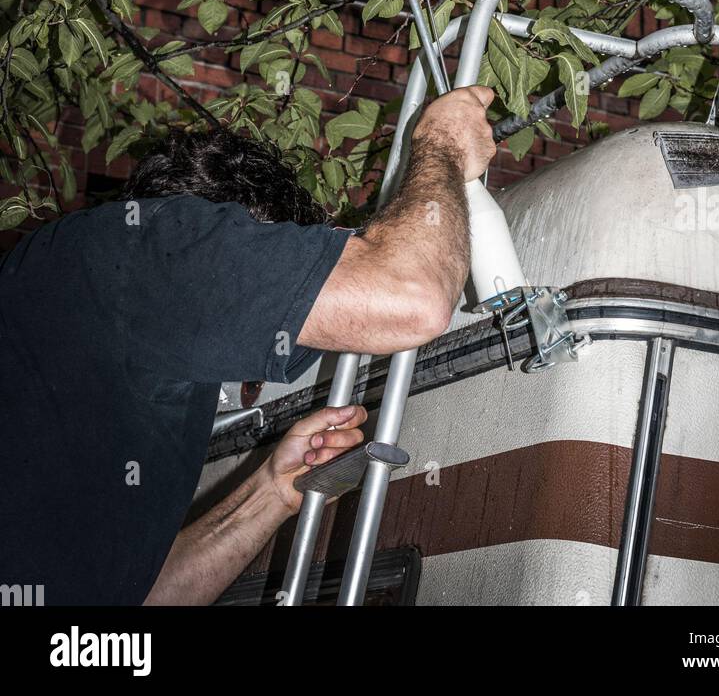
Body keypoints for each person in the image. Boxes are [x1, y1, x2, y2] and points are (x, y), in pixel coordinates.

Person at [0, 85, 496, 606]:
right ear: (234, 237)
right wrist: (441, 143)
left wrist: (273, 493)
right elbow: (412, 297)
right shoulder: (149, 243)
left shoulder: (120, 348)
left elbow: (142, 596)